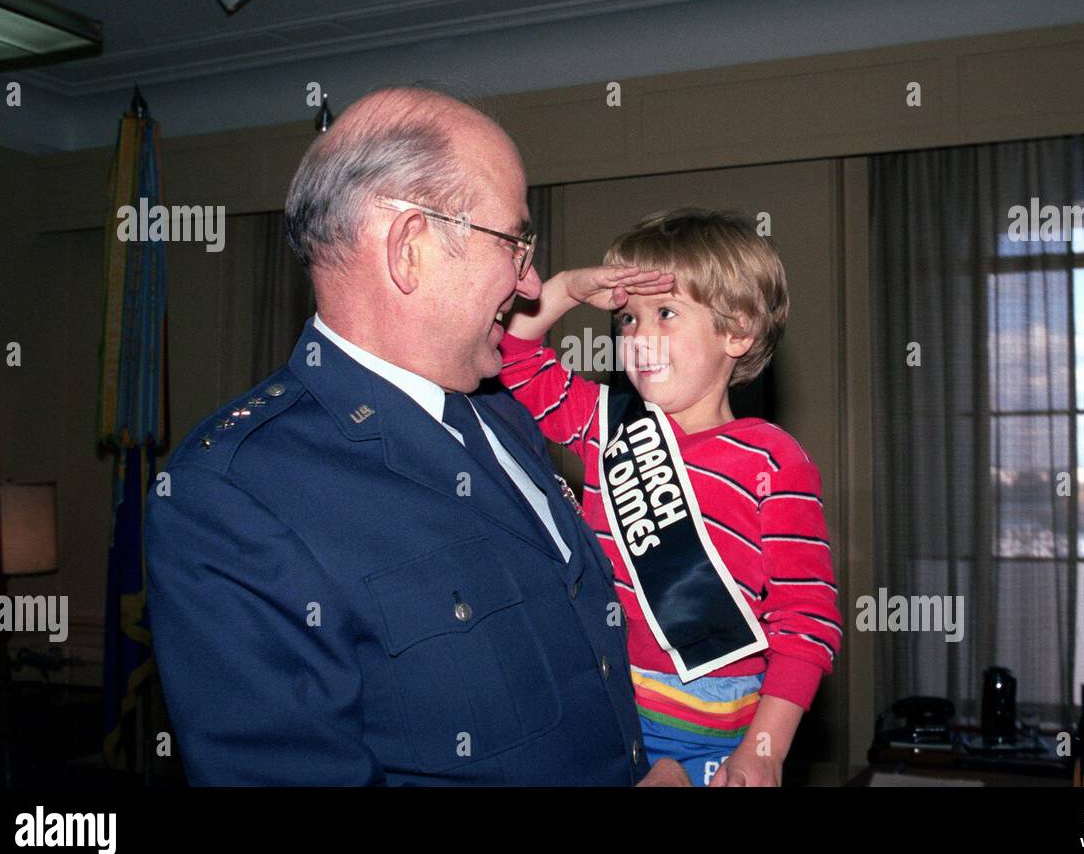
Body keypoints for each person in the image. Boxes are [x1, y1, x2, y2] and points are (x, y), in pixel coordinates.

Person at [145, 86, 690, 786]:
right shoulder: (232, 497)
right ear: (410, 247)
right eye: (515, 243)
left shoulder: (500, 411)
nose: (529, 283)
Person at [499, 208, 842, 786]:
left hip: (717, 724)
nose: (639, 337)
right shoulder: (606, 424)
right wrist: (562, 290)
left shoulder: (775, 460)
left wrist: (765, 748)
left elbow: (806, 622)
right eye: (628, 320)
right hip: (604, 703)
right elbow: (517, 363)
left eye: (665, 313)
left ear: (738, 331)